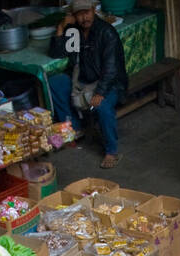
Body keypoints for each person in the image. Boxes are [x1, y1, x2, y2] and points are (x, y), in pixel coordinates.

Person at [48, 0, 128, 169]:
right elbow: (57, 52)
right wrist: (61, 28)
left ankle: (111, 151)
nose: (84, 17)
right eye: (79, 14)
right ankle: (74, 130)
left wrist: (100, 92)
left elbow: (112, 69)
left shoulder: (106, 32)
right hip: (82, 81)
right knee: (55, 83)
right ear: (74, 16)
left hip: (110, 84)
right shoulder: (74, 31)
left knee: (102, 106)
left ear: (93, 11)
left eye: (87, 12)